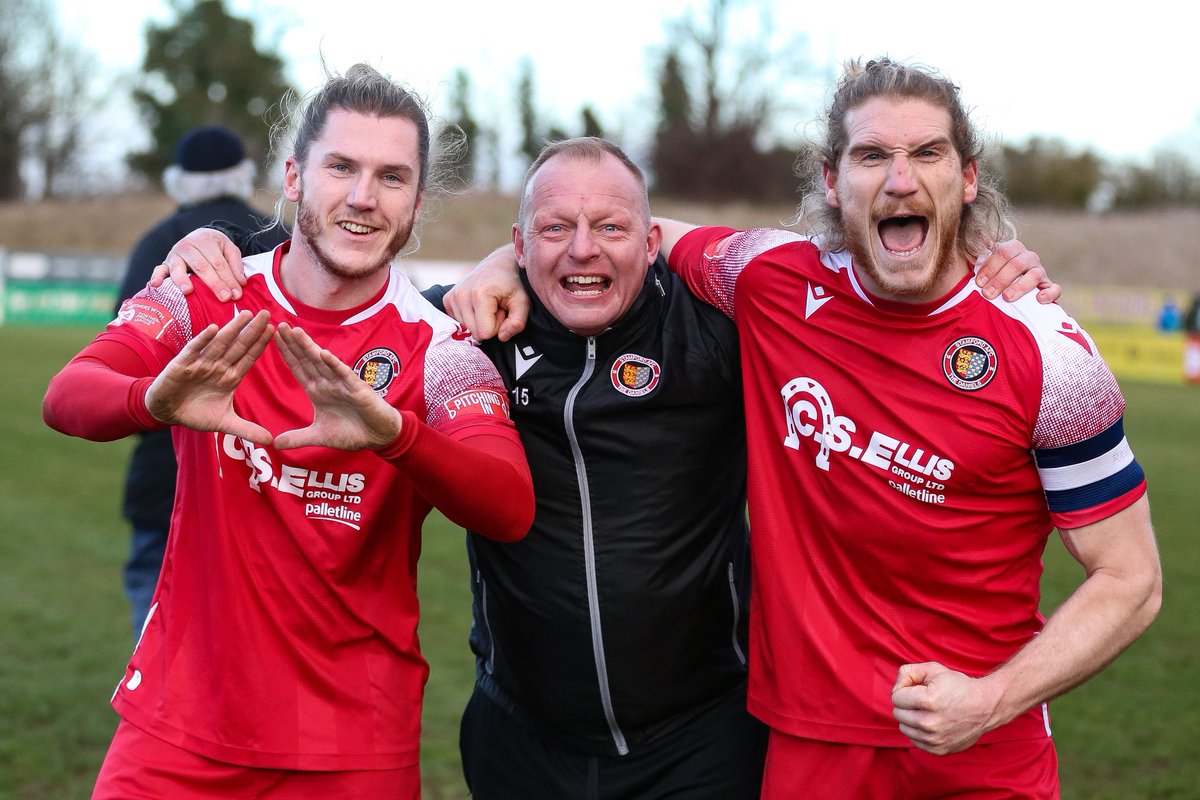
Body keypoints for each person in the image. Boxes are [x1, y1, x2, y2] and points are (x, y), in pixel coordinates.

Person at [156, 134, 1058, 798]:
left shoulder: (724, 331)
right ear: (519, 238)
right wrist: (204, 256)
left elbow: (873, 296)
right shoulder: (465, 333)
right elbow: (321, 318)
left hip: (704, 741)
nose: (583, 250)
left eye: (611, 227)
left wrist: (985, 268)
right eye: (553, 230)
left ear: (655, 239)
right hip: (520, 742)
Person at [653, 58, 1161, 798]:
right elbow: (628, 234)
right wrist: (505, 263)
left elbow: (1133, 579)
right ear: (832, 181)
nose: (900, 179)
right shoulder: (769, 280)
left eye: (927, 153)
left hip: (985, 749)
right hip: (812, 744)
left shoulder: (1051, 354)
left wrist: (989, 700)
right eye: (872, 155)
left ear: (969, 178)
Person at [42, 64, 534, 800]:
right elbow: (68, 395)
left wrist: (394, 435)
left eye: (392, 177)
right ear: (296, 175)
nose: (364, 198)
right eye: (342, 167)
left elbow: (509, 506)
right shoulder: (207, 293)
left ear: (417, 202)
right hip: (177, 730)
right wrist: (156, 398)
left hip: (353, 747)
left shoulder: (442, 347)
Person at [112, 124, 289, 640]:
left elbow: (124, 355)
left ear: (179, 180)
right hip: (270, 471)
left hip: (165, 469)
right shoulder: (281, 238)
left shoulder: (157, 243)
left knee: (159, 638)